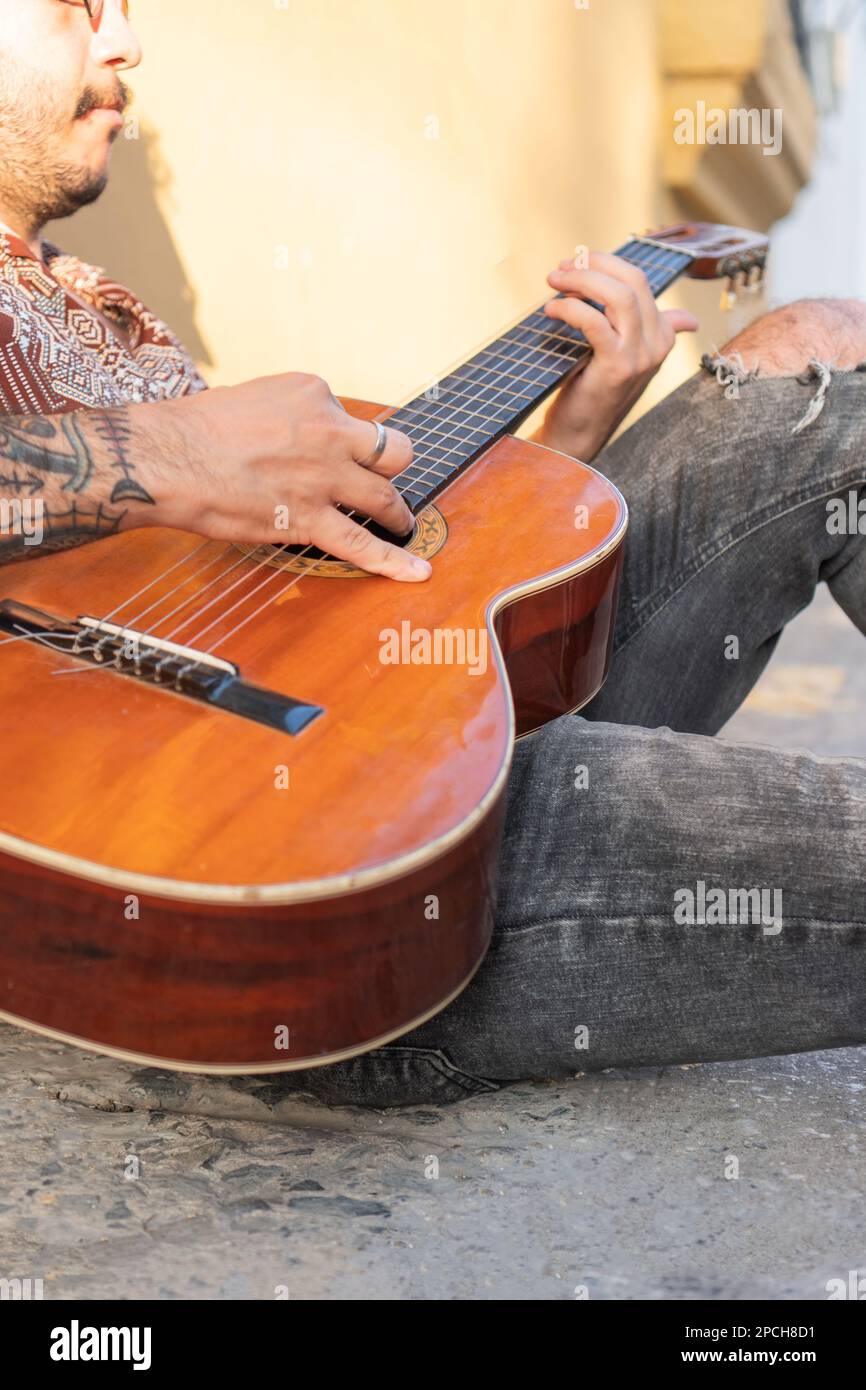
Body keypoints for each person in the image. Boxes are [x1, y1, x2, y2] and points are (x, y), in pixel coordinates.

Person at [0, 0, 863, 1105]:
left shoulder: (93, 308)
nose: (124, 42)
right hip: (320, 882)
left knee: (817, 348)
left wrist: (567, 445)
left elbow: (331, 601)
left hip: (414, 724)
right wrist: (165, 447)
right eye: (77, 6)